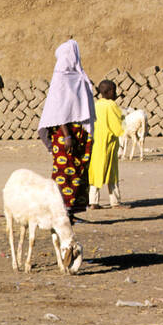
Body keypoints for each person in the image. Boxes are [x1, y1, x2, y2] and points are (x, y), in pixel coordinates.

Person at [38, 39, 95, 223]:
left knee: (78, 172)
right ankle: (60, 212)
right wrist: (67, 135)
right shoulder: (61, 79)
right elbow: (59, 110)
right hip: (66, 136)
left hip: (79, 134)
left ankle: (70, 213)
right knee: (64, 174)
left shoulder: (78, 76)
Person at [88, 79, 124, 208]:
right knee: (112, 173)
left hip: (95, 144)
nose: (116, 94)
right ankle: (115, 201)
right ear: (109, 92)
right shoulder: (111, 105)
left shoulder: (96, 105)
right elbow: (117, 127)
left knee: (96, 172)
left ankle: (93, 201)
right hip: (108, 145)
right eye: (114, 91)